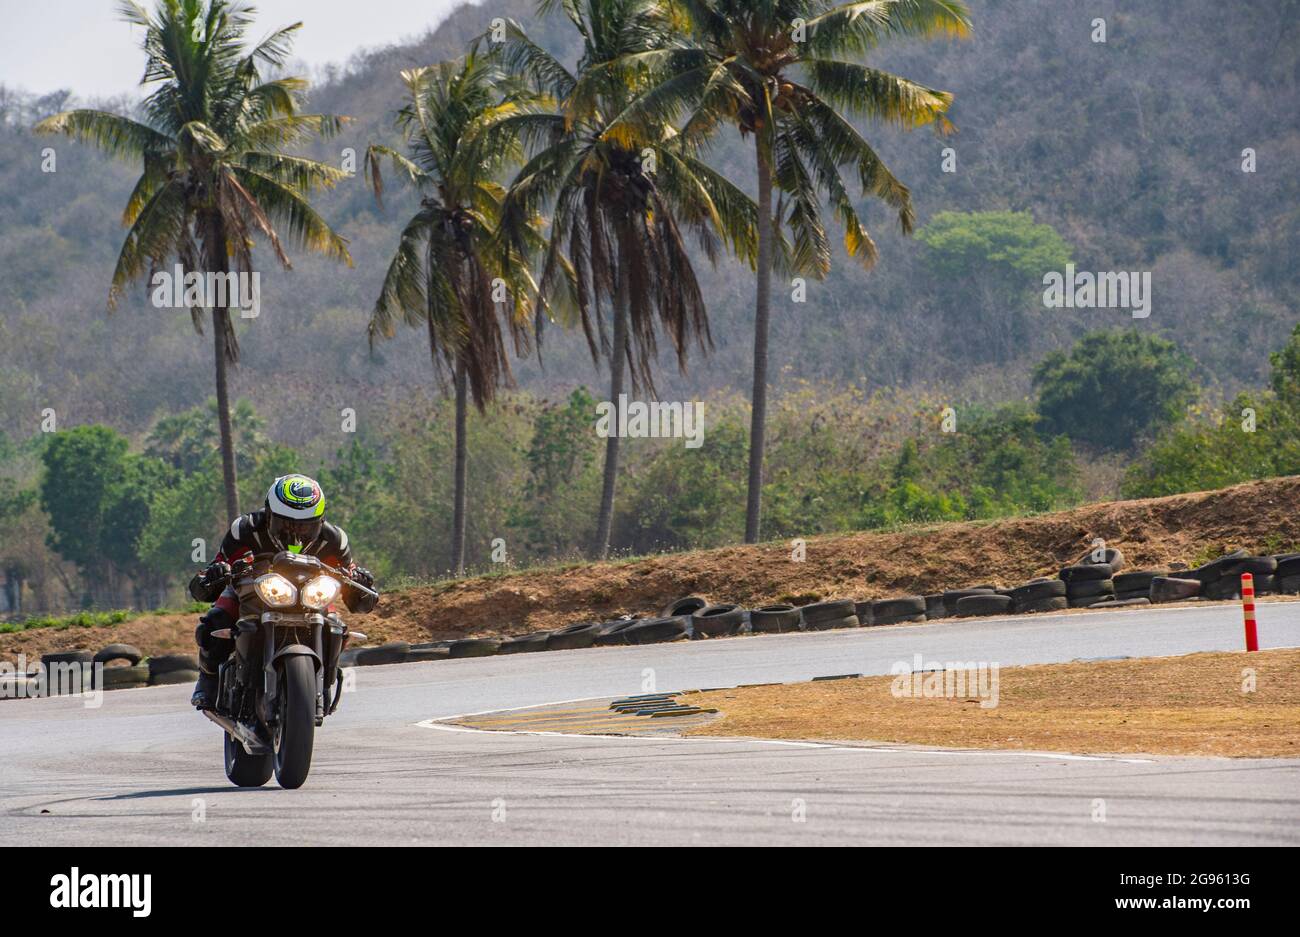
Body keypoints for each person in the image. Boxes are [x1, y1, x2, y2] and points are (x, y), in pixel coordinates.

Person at [188, 474, 376, 710]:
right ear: (269, 515)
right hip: (253, 592)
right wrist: (215, 574)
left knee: (337, 626)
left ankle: (321, 685)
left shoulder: (334, 540)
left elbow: (358, 598)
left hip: (311, 597)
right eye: (287, 524)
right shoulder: (246, 530)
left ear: (321, 520)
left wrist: (361, 582)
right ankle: (208, 681)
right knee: (214, 622)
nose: (296, 533)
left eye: (307, 525)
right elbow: (208, 580)